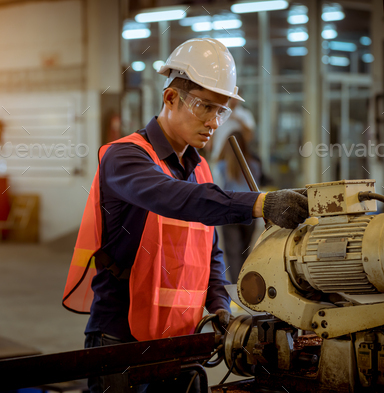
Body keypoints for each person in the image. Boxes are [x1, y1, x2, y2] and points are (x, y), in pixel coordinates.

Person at [62, 38, 309, 393]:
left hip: (182, 341)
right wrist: (261, 204)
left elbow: (209, 254)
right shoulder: (125, 159)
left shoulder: (201, 170)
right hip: (120, 339)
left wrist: (219, 304)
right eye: (204, 107)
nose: (213, 121)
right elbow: (174, 198)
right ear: (171, 98)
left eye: (221, 111)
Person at [215, 130, 262, 284]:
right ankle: (248, 286)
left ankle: (238, 288)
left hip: (230, 212)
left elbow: (216, 191)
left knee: (233, 253)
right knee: (245, 252)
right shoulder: (254, 165)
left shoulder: (221, 167)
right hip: (251, 211)